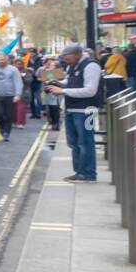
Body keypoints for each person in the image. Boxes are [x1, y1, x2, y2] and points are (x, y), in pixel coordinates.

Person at [45, 43, 103, 182]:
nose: (64, 60)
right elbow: (71, 81)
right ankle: (79, 172)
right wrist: (58, 83)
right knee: (74, 143)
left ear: (77, 54)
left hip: (87, 111)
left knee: (86, 142)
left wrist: (63, 91)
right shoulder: (73, 65)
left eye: (67, 57)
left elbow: (90, 90)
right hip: (72, 109)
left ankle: (89, 174)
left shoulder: (91, 66)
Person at [0, 53, 20, 141]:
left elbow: (17, 82)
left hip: (10, 96)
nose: (1, 61)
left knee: (9, 115)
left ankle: (6, 132)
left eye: (2, 59)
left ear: (7, 60)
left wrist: (17, 94)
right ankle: (1, 128)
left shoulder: (13, 70)